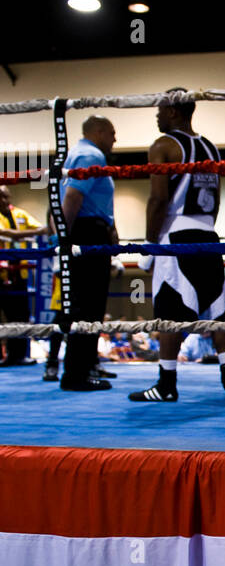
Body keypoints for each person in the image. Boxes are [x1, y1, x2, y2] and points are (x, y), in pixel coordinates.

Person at [129, 90, 225, 402]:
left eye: (161, 108)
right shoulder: (212, 149)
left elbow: (158, 199)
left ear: (176, 112)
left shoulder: (163, 146)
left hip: (175, 237)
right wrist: (205, 228)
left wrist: (150, 246)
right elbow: (216, 200)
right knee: (219, 310)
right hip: (208, 235)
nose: (156, 114)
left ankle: (166, 384)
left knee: (168, 309)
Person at [58, 116, 118, 392]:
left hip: (89, 230)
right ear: (99, 131)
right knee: (87, 305)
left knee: (88, 304)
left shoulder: (79, 153)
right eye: (112, 133)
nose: (115, 139)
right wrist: (65, 238)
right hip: (85, 233)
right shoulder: (90, 154)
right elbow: (72, 197)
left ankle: (85, 367)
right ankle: (76, 375)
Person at [0, 185, 48, 365]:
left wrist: (40, 231)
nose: (5, 201)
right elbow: (7, 233)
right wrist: (35, 233)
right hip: (1, 273)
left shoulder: (20, 214)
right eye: (1, 197)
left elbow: (40, 228)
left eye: (7, 196)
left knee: (20, 315)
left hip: (19, 272)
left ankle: (19, 355)